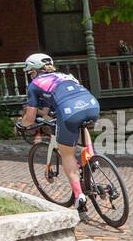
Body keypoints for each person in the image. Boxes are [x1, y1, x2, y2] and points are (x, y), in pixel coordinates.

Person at [19, 53, 101, 217]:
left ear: (34, 71)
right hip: (92, 105)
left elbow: (30, 117)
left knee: (67, 155)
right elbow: (50, 107)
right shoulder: (65, 75)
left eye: (30, 73)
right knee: (81, 124)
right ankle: (90, 155)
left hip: (69, 112)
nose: (30, 76)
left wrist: (22, 124)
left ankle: (79, 197)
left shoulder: (35, 84)